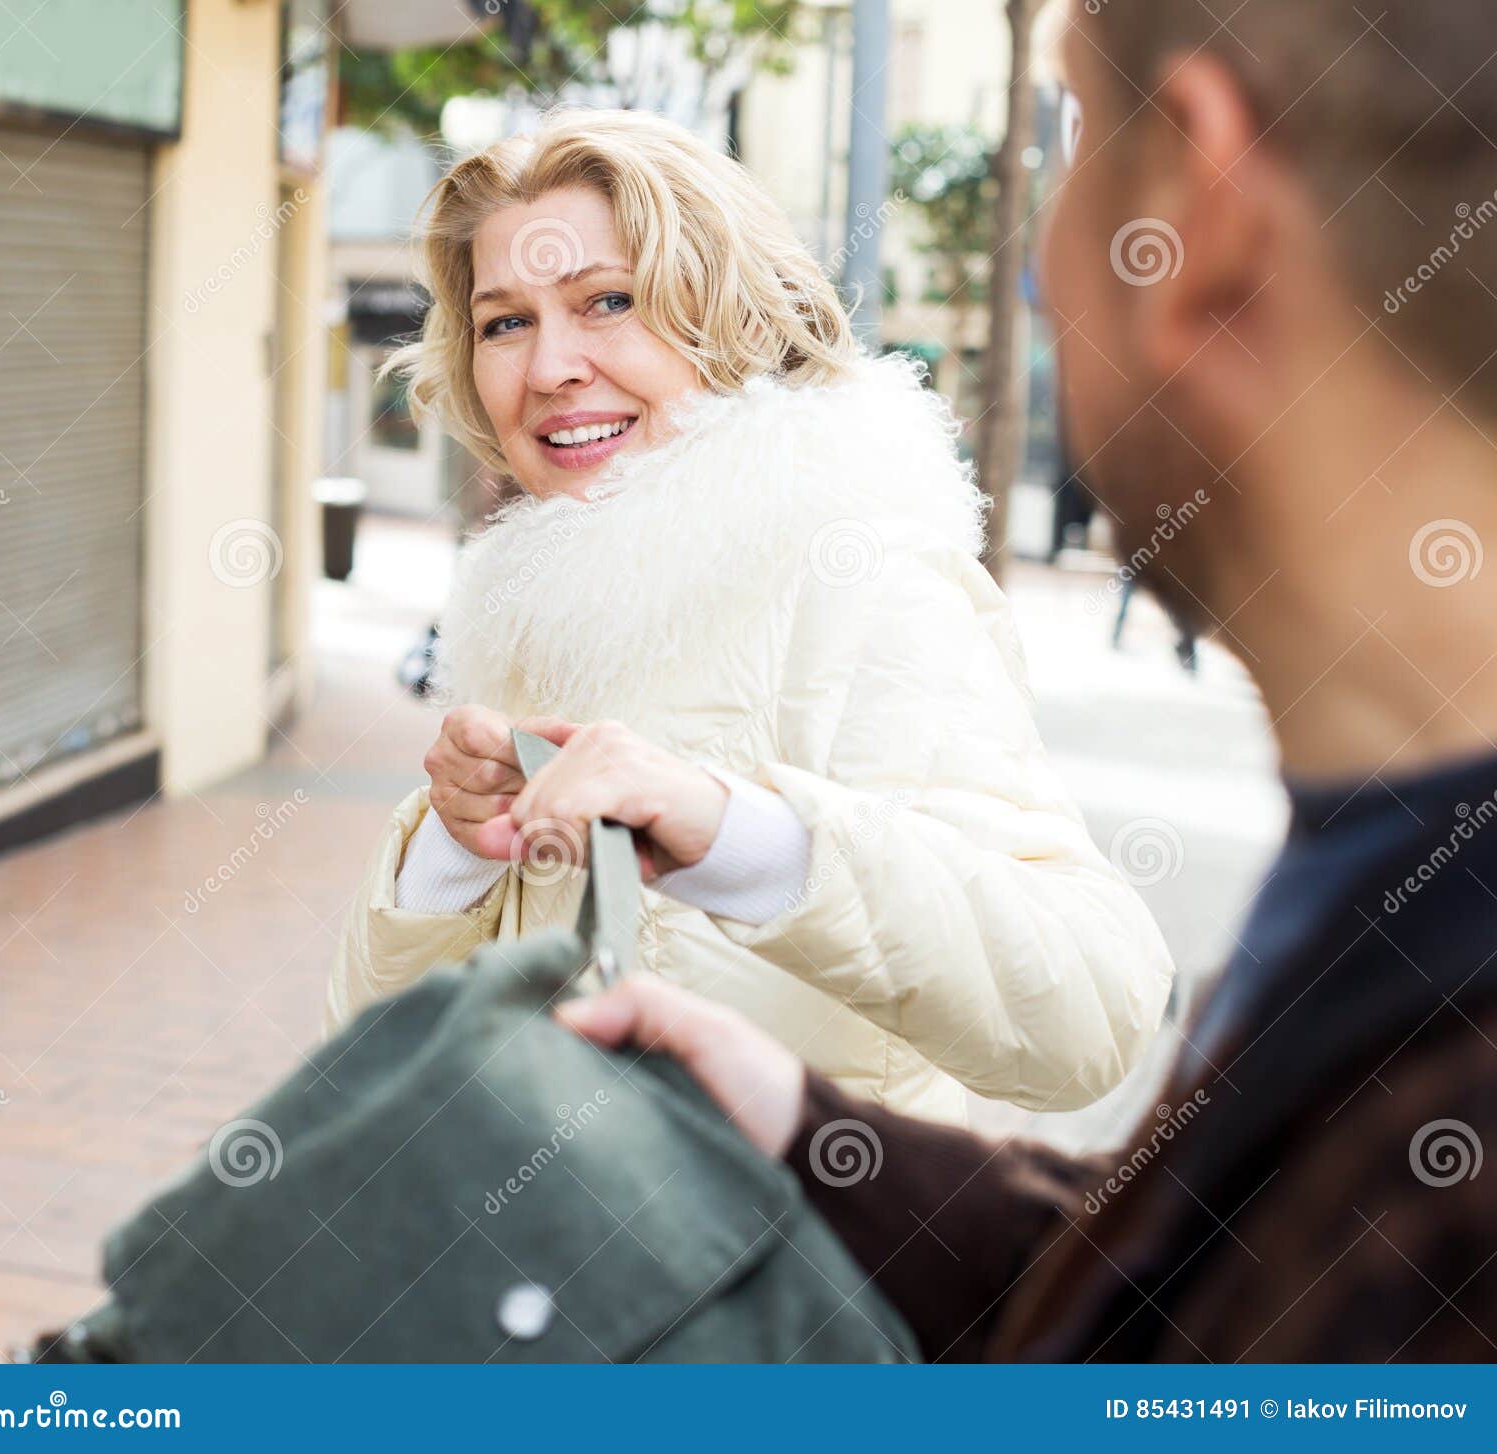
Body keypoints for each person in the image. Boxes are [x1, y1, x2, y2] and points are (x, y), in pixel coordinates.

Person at [557, 0, 1497, 1359]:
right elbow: (1211, 1300)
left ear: (1192, 202)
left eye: (1069, 138)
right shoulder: (1403, 875)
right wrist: (810, 1136)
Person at [327, 110, 1175, 1124]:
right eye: (505, 320)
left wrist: (739, 837)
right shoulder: (535, 617)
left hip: (803, 1266)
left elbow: (1090, 1013)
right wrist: (456, 851)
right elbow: (372, 1061)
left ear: (727, 312)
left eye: (608, 301)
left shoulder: (854, 578)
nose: (549, 366)